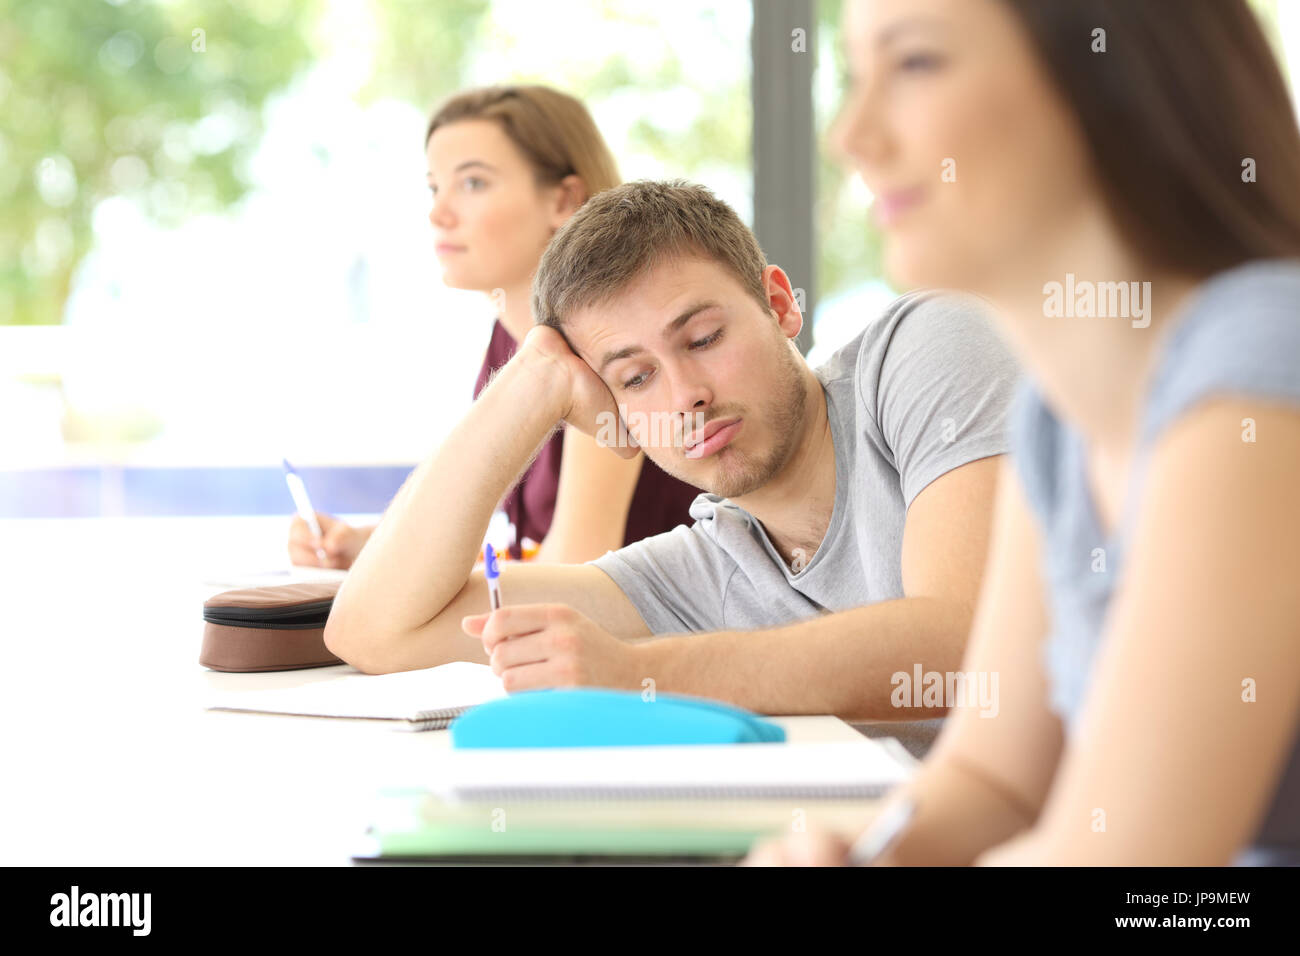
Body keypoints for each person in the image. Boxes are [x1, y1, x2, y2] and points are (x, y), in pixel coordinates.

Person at [748, 0, 1300, 865]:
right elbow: (993, 782)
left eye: (917, 64)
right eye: (857, 76)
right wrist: (869, 854)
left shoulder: (1264, 362)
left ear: (1107, 72)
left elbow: (1139, 866)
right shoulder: (1058, 416)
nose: (849, 135)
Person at [323, 179, 1021, 725]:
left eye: (703, 338)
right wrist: (531, 384)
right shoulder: (703, 569)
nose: (686, 394)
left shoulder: (927, 346)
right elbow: (376, 632)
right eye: (634, 377)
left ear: (779, 303)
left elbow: (965, 642)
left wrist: (638, 673)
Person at [287, 85, 699, 569]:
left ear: (564, 199)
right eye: (434, 187)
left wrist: (397, 578)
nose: (438, 213)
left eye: (473, 183)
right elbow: (490, 526)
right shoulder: (512, 342)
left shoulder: (604, 348)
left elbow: (575, 569)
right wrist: (368, 547)